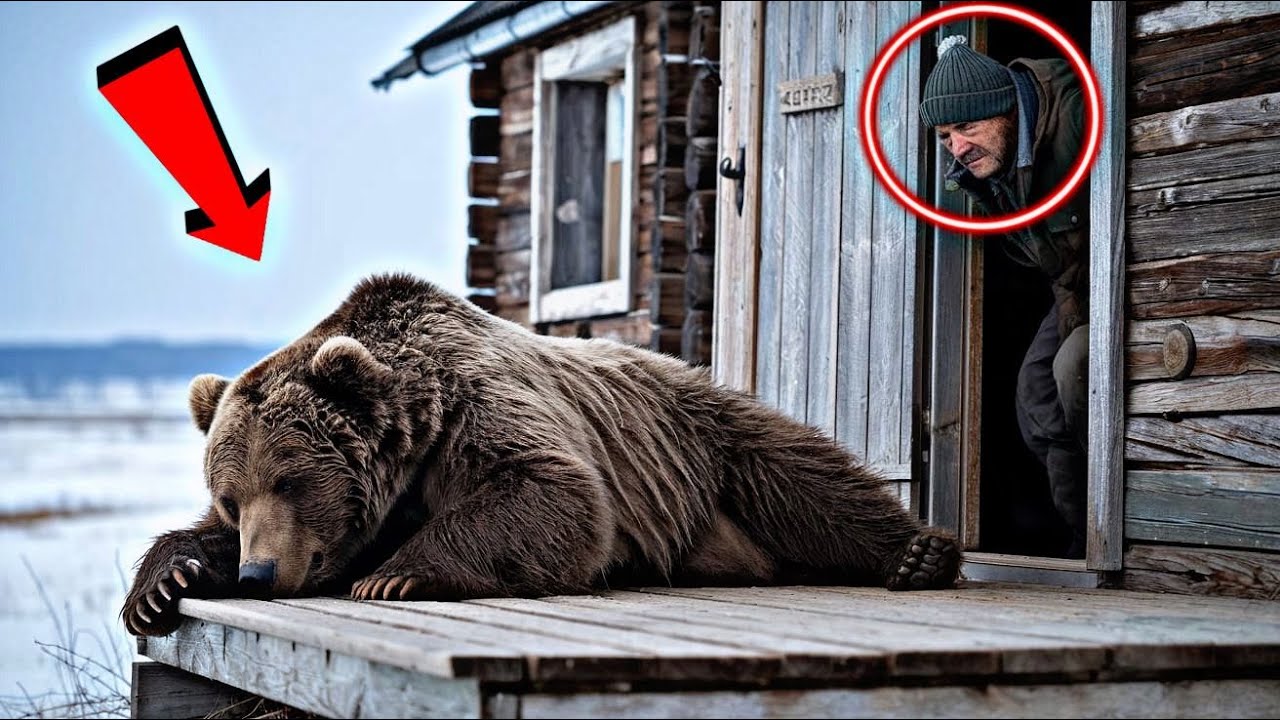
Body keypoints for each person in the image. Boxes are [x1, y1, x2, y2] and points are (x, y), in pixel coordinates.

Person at [920, 35, 1089, 558]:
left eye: (968, 127)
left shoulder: (1079, 114)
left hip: (1141, 283)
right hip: (1075, 290)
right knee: (1037, 396)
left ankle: (1134, 518)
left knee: (1074, 369)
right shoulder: (988, 174)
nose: (958, 147)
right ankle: (1089, 539)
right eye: (946, 135)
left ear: (1009, 106)